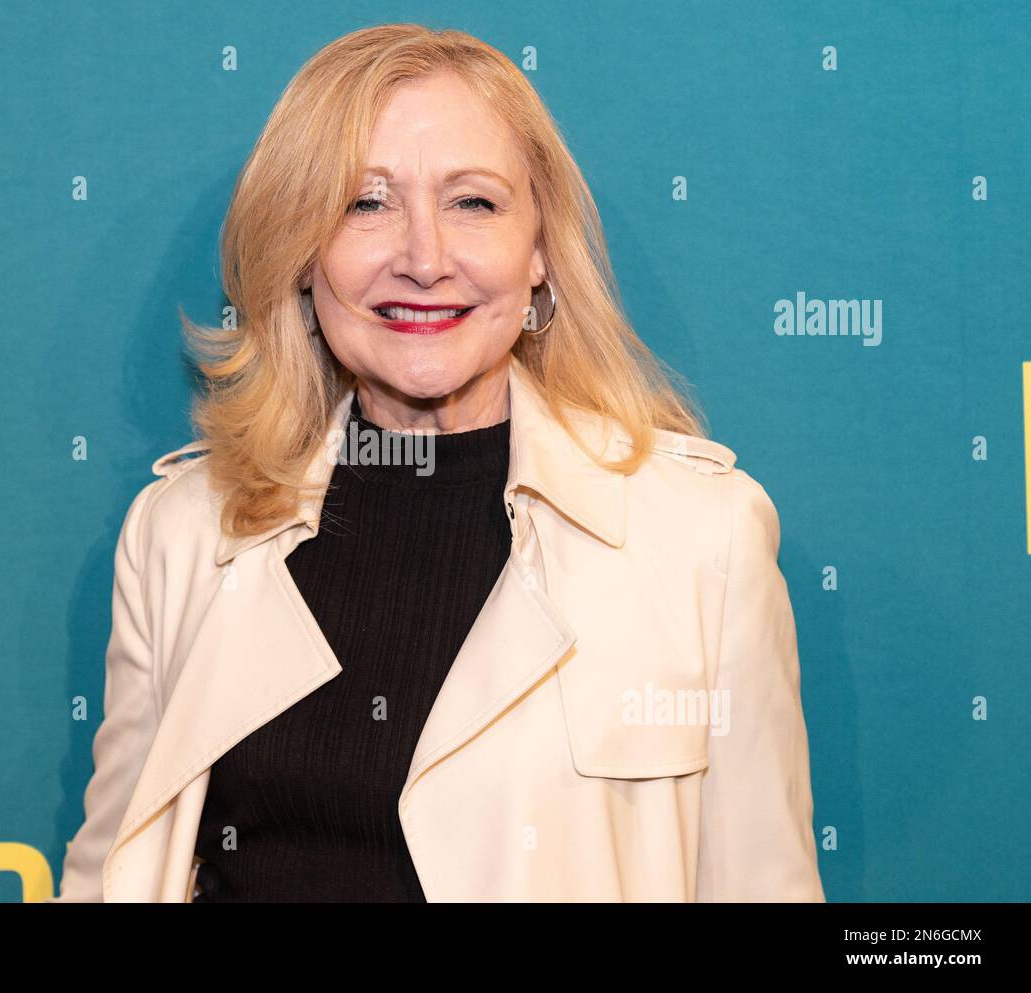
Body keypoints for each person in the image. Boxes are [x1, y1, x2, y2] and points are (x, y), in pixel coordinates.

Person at [48, 23, 825, 903]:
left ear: (539, 254)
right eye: (365, 204)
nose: (423, 259)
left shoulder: (702, 539)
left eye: (474, 204)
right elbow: (109, 872)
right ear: (303, 253)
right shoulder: (182, 532)